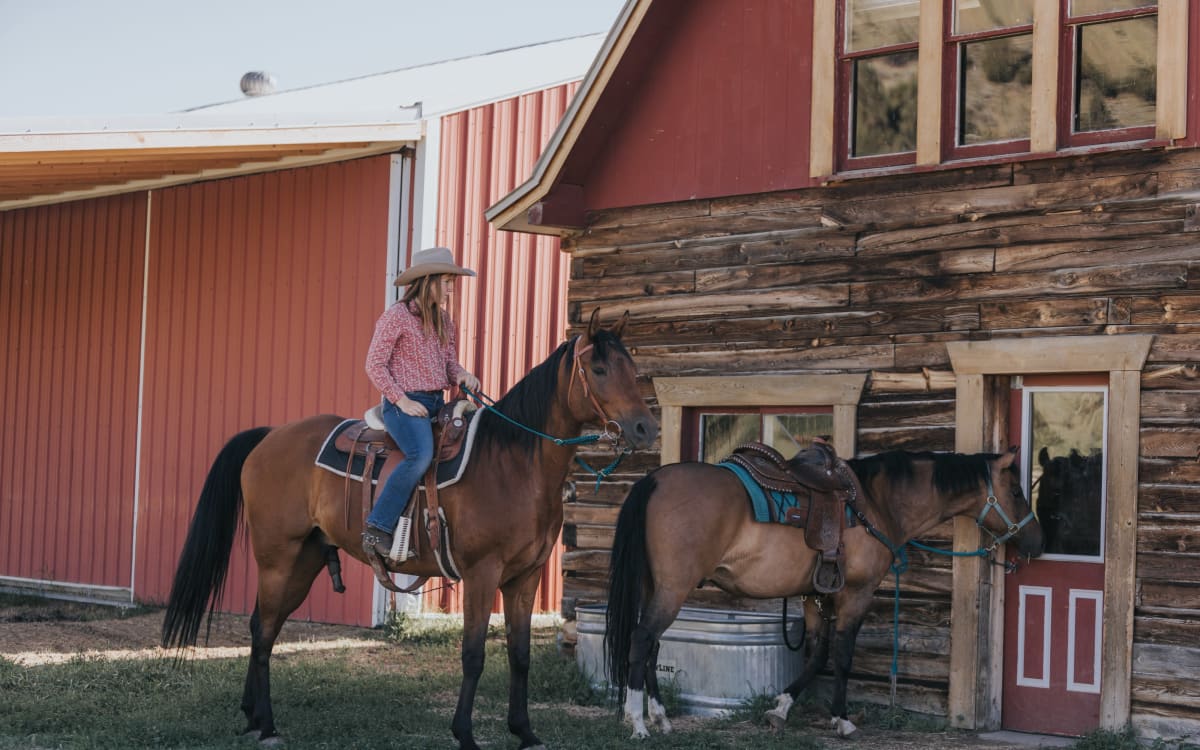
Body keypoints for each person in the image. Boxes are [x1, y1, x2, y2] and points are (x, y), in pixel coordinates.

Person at [362, 246, 481, 561]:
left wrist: (464, 374)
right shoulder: (396, 317)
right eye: (447, 282)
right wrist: (401, 400)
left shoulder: (444, 320)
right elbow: (374, 365)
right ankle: (377, 526)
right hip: (403, 404)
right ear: (428, 281)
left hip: (435, 401)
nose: (451, 289)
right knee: (420, 455)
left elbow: (449, 366)